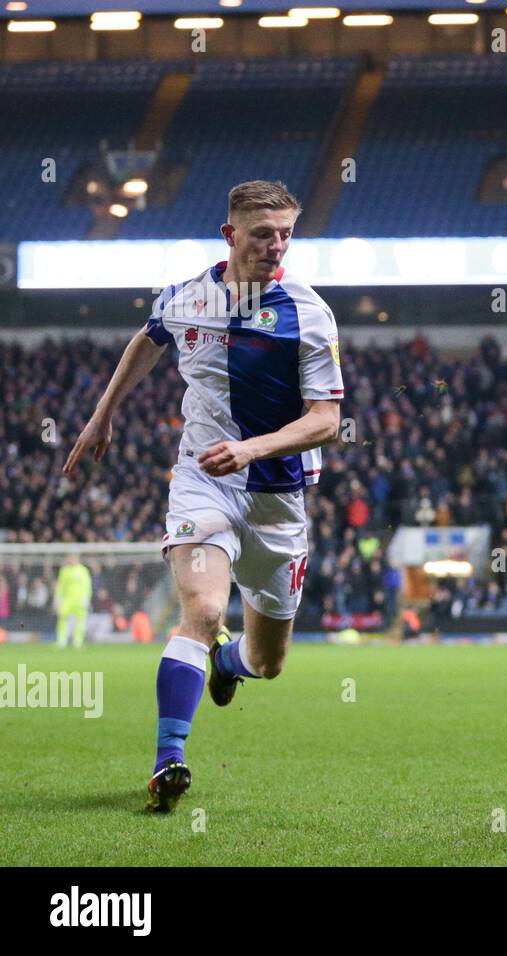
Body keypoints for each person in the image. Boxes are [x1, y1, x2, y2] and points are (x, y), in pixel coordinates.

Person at [62, 180, 344, 814]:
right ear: (231, 235)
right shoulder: (188, 297)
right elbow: (147, 339)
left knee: (268, 663)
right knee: (205, 609)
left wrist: (253, 447)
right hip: (203, 480)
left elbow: (326, 421)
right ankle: (169, 760)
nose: (276, 246)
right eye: (263, 234)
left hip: (278, 496)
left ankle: (228, 667)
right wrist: (103, 413)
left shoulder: (310, 313)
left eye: (286, 234)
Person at [54, 552, 93, 650]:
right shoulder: (64, 570)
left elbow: (87, 585)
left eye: (72, 558)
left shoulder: (83, 570)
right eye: (69, 558)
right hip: (67, 599)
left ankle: (78, 641)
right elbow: (60, 585)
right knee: (62, 618)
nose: (70, 560)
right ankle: (62, 640)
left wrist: (86, 598)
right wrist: (58, 598)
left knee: (80, 620)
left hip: (79, 600)